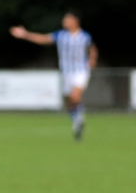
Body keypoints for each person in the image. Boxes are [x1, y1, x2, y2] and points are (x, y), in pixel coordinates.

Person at [10, 12, 97, 140]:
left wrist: (92, 59)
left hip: (81, 71)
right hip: (66, 72)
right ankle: (76, 120)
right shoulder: (61, 35)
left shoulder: (84, 36)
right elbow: (43, 39)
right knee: (69, 101)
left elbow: (92, 48)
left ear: (75, 21)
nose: (64, 22)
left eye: (67, 19)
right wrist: (25, 34)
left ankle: (79, 119)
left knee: (75, 96)